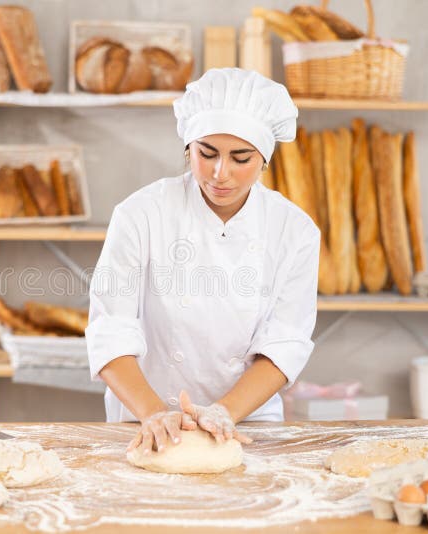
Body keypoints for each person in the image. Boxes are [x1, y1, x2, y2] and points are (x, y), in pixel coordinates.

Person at [85, 68, 319, 455]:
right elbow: (111, 329)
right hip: (146, 420)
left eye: (240, 158)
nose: (219, 173)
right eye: (206, 153)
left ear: (264, 160)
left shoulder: (294, 230)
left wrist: (225, 412)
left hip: (247, 422)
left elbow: (284, 343)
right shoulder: (141, 213)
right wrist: (154, 413)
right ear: (187, 148)